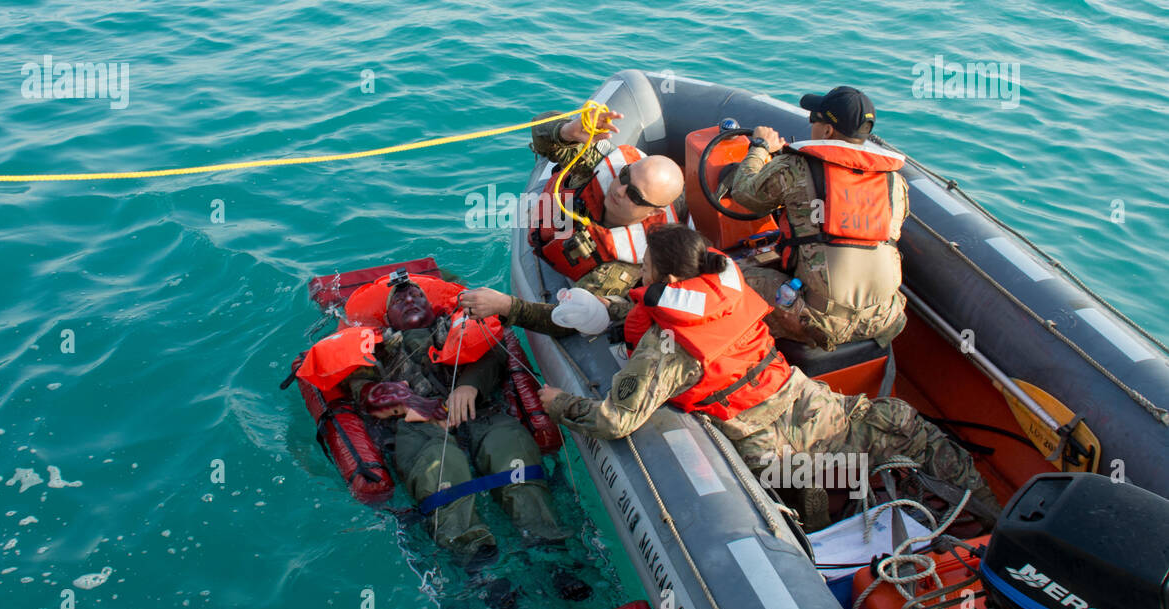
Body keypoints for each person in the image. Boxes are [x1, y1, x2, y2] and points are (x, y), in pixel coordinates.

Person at [461, 224, 1000, 530]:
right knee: (898, 423)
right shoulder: (728, 289)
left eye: (647, 271)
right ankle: (979, 515)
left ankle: (972, 518)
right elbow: (608, 312)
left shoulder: (666, 345)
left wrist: (556, 402)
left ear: (669, 279)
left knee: (871, 436)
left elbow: (613, 420)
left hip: (777, 426)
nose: (641, 278)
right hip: (794, 413)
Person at [340, 274, 577, 577]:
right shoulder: (374, 349)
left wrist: (470, 386)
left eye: (416, 296)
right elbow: (365, 392)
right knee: (442, 469)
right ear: (387, 318)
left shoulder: (460, 324)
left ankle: (547, 544)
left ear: (432, 306)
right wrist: (410, 403)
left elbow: (492, 353)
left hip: (481, 413)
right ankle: (476, 560)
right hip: (419, 428)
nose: (409, 300)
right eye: (399, 301)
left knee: (509, 449)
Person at [719, 86, 909, 351]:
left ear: (827, 131)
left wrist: (760, 148)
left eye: (814, 120)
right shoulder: (894, 181)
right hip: (883, 319)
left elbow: (744, 192)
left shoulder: (797, 166)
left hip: (818, 321)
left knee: (723, 277)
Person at [529, 105, 687, 298]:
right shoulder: (603, 167)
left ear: (654, 212)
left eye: (634, 195)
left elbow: (575, 316)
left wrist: (510, 307)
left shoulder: (627, 265)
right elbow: (540, 126)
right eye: (625, 175)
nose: (619, 190)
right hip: (545, 220)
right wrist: (566, 131)